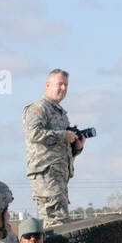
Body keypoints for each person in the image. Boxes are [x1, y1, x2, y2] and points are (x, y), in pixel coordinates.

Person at [23, 69, 84, 226]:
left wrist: (77, 147)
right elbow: (34, 134)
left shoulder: (61, 114)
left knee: (61, 219)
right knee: (55, 221)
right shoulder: (38, 109)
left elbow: (61, 147)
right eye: (60, 84)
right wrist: (64, 135)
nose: (63, 89)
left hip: (59, 175)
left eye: (66, 85)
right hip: (46, 173)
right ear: (48, 85)